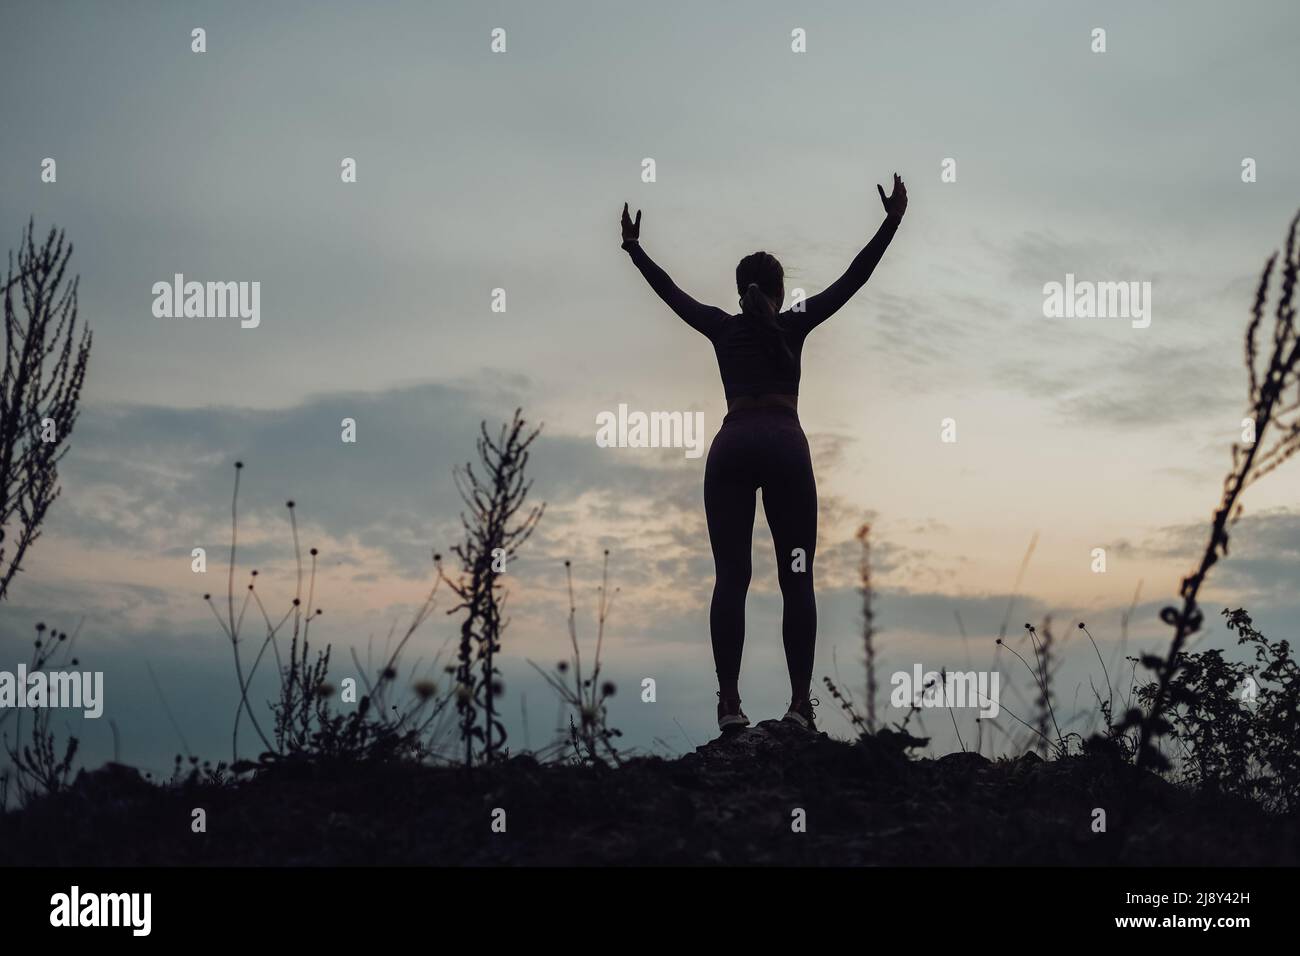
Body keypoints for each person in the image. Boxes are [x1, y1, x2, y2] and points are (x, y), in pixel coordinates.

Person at [619, 173, 908, 733]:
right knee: (795, 577)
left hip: (731, 447)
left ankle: (729, 704)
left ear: (740, 291)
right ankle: (801, 707)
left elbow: (669, 290)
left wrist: (634, 249)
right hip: (783, 445)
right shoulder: (796, 325)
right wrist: (891, 221)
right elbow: (855, 276)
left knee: (731, 578)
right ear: (779, 293)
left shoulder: (721, 328)